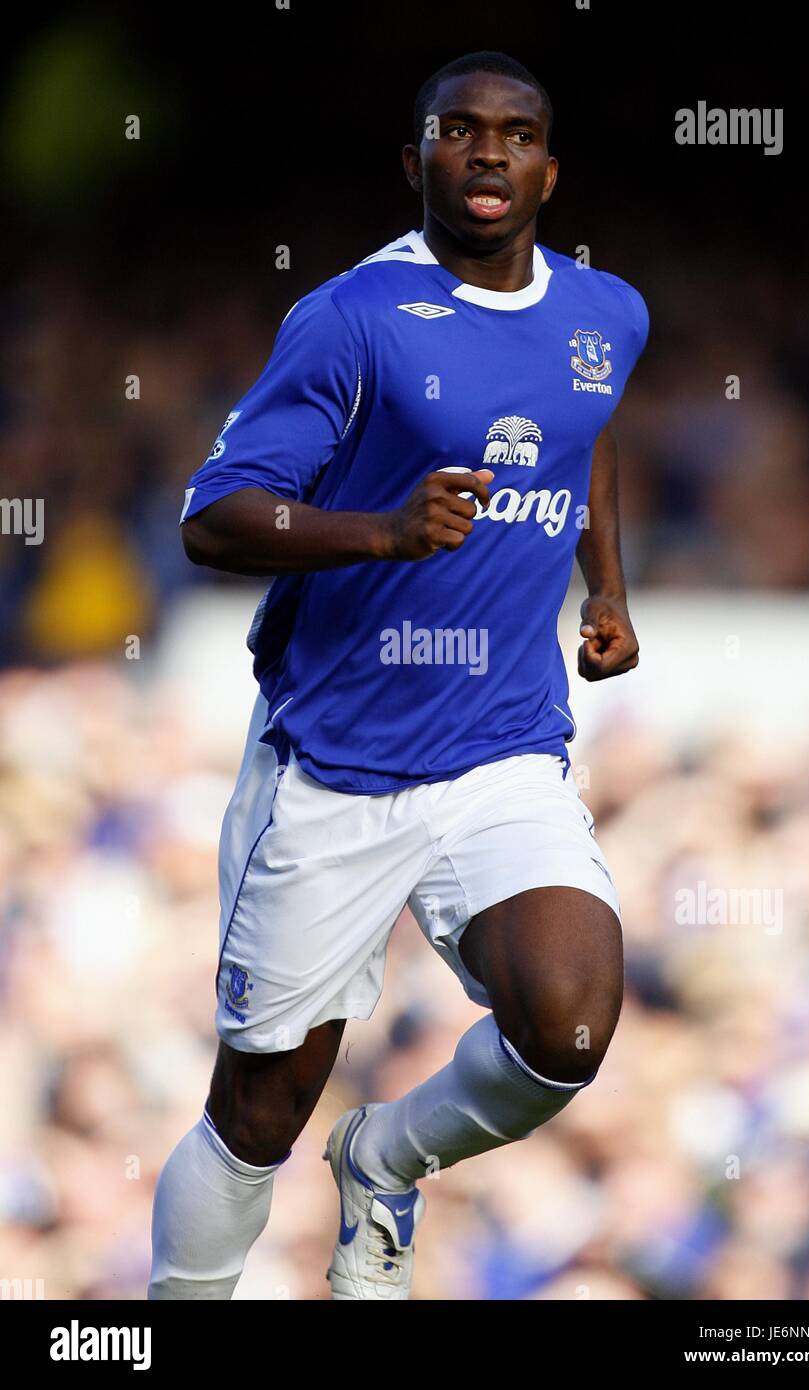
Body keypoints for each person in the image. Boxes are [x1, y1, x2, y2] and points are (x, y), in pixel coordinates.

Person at [149, 49, 649, 1301]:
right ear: (415, 158)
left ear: (549, 166)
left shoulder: (605, 313)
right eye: (458, 131)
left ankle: (386, 1158)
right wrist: (380, 528)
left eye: (515, 134)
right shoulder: (348, 318)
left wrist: (607, 591)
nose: (487, 154)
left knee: (571, 1018)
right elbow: (213, 520)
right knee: (260, 1110)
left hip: (500, 748)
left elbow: (582, 444)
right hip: (335, 765)